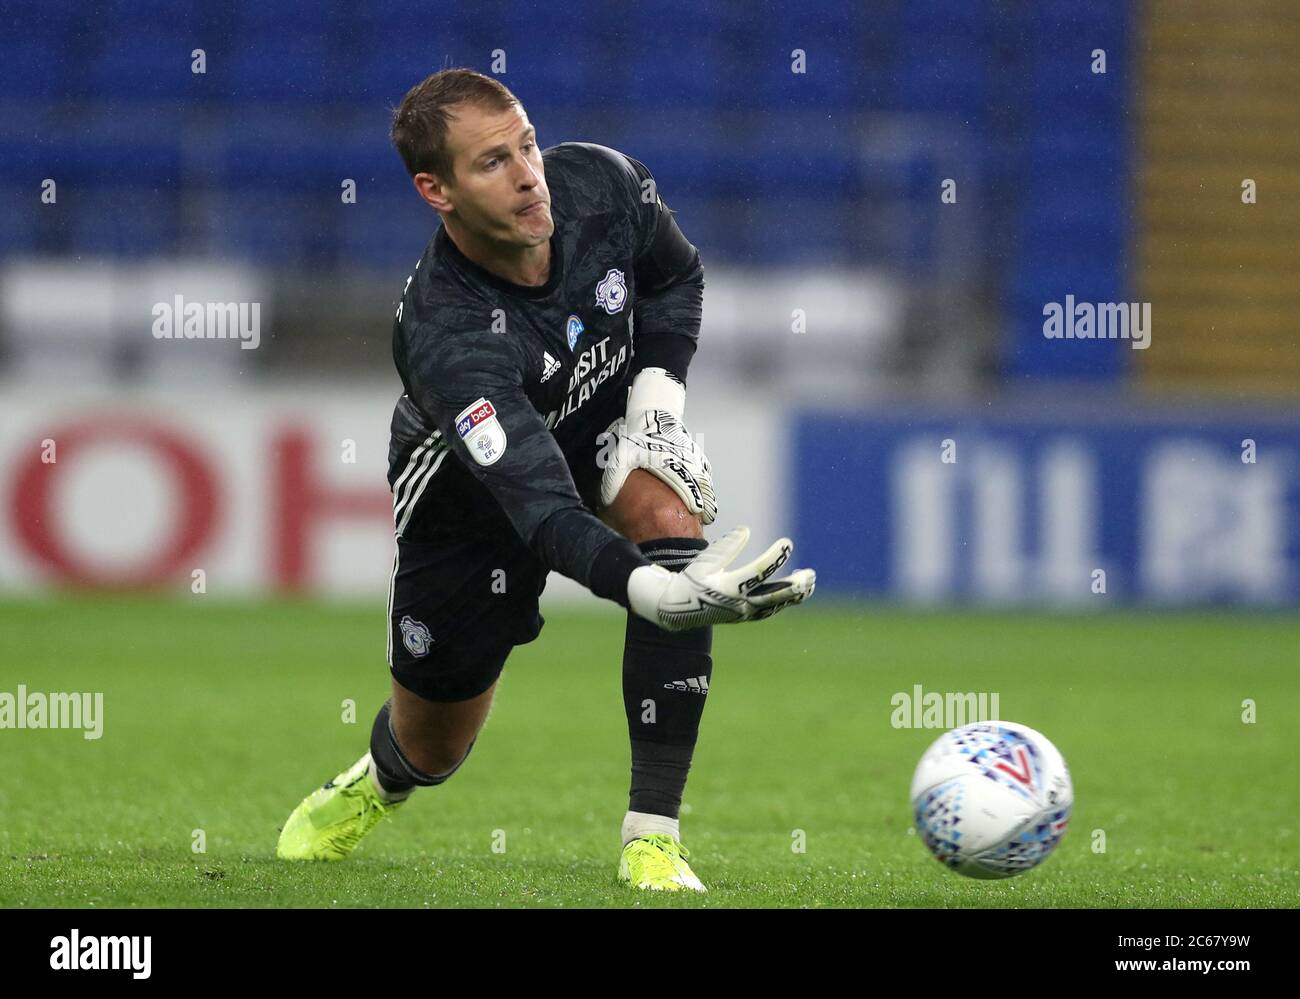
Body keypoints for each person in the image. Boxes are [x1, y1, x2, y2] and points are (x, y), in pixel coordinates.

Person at [276, 68, 815, 892]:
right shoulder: (448, 335)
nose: (528, 173)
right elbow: (539, 508)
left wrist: (656, 403)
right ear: (437, 190)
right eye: (492, 162)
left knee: (664, 507)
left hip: (596, 422)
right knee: (435, 745)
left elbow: (676, 277)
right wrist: (658, 596)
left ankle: (653, 836)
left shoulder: (601, 183)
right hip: (472, 501)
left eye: (526, 143)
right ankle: (376, 782)